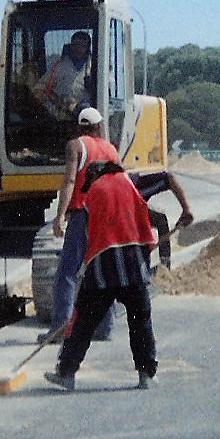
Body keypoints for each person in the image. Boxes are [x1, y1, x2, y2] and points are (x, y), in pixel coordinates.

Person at [42, 112, 194, 344]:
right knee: (103, 270)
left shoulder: (76, 146)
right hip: (107, 216)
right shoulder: (111, 149)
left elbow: (71, 180)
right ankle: (105, 328)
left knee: (67, 272)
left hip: (82, 212)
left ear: (79, 127)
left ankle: (60, 331)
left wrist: (60, 215)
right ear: (99, 127)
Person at [44, 123, 161, 392]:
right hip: (133, 267)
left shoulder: (91, 194)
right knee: (141, 322)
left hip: (103, 270)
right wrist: (185, 211)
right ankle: (146, 375)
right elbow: (166, 183)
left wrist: (85, 266)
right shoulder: (130, 183)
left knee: (82, 323)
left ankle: (66, 373)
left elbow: (90, 238)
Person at [37, 31, 92, 117]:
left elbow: (107, 90)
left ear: (87, 48)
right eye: (76, 45)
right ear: (71, 46)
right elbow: (41, 87)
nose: (79, 49)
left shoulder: (95, 66)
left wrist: (93, 86)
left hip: (88, 114)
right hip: (62, 113)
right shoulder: (59, 65)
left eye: (82, 46)